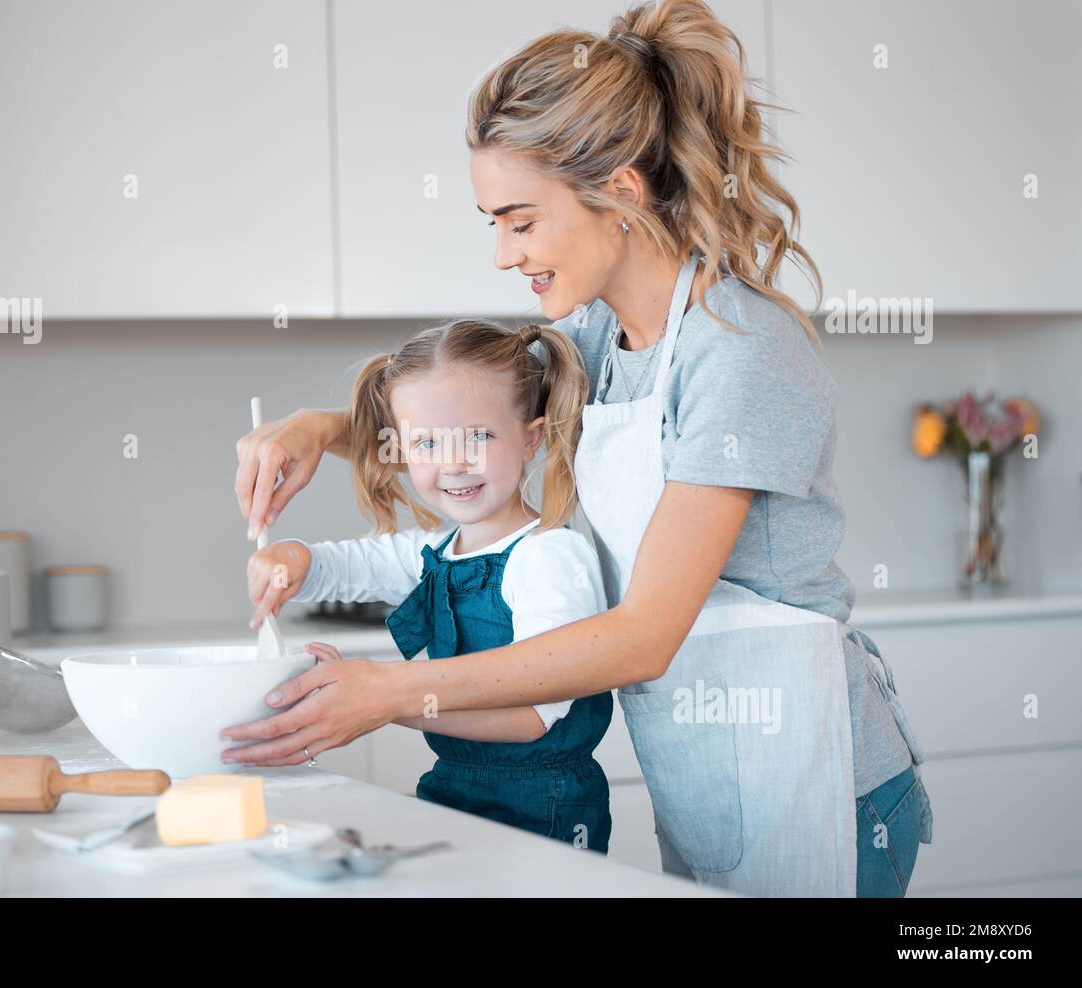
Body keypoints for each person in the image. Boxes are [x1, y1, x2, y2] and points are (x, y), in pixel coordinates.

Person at [227, 0, 933, 896]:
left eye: (521, 221)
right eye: (493, 223)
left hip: (823, 775)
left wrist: (395, 692)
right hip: (711, 776)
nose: (501, 254)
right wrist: (320, 428)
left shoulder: (740, 352)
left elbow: (642, 638)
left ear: (622, 193)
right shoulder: (595, 340)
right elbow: (476, 422)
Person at [247, 319, 614, 851]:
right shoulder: (439, 549)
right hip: (452, 790)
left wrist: (383, 701)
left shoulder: (549, 556)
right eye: (427, 444)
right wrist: (291, 560)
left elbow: (534, 716)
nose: (454, 462)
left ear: (531, 438)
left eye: (479, 436)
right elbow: (343, 568)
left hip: (547, 805)